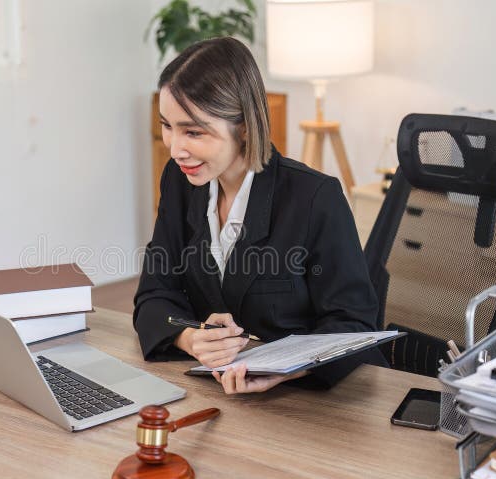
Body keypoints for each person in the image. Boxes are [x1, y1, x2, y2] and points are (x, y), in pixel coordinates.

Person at [133, 37, 386, 394]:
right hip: (220, 397)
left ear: (245, 128)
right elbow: (154, 294)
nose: (175, 148)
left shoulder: (315, 197)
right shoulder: (181, 181)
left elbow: (355, 325)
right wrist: (191, 339)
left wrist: (285, 370)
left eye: (193, 131)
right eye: (167, 126)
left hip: (312, 404)